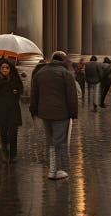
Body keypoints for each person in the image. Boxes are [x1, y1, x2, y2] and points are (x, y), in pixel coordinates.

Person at [29, 51, 78, 180]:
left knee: (50, 141)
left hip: (44, 113)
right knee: (59, 141)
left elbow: (34, 94)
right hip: (61, 113)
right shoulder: (65, 73)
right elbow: (72, 96)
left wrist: (33, 110)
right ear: (64, 61)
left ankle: (53, 169)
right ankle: (55, 170)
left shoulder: (41, 73)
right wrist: (73, 114)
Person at [0, 58, 23, 162]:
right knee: (3, 133)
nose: (5, 70)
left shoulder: (14, 78)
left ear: (10, 69)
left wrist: (16, 91)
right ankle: (5, 153)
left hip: (13, 109)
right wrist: (4, 81)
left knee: (13, 133)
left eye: (7, 68)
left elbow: (20, 89)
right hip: (1, 110)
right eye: (3, 68)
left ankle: (13, 155)